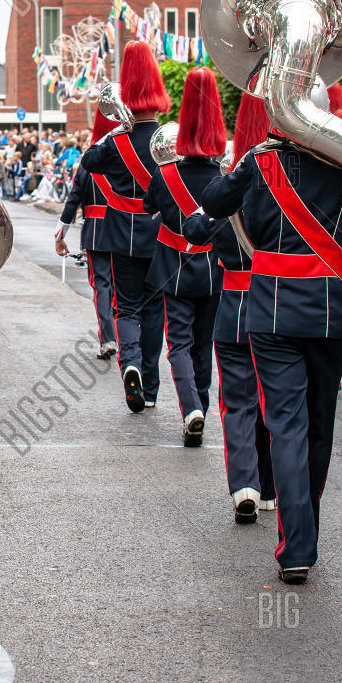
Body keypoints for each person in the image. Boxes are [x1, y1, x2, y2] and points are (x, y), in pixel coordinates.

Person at [200, 88, 342, 584]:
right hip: (332, 307)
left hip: (274, 305)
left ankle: (297, 543)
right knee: (319, 423)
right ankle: (307, 532)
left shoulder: (262, 162)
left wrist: (244, 159)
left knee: (286, 424)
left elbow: (215, 202)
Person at [183, 93, 275, 522]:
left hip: (235, 304)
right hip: (278, 302)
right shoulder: (283, 185)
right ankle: (272, 485)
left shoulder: (230, 185)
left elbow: (196, 229)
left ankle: (244, 483)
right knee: (276, 397)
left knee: (237, 399)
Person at [79, 41, 170, 413]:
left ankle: (129, 362)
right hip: (162, 238)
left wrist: (115, 130)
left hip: (120, 236)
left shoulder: (114, 143)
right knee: (155, 312)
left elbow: (89, 161)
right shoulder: (170, 139)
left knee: (127, 309)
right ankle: (149, 385)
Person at [145, 66, 225, 445]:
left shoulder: (165, 175)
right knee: (203, 343)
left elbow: (148, 207)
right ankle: (203, 410)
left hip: (173, 268)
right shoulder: (226, 180)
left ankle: (190, 406)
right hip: (214, 270)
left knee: (177, 342)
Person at [56, 109, 120, 360]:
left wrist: (60, 234)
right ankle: (124, 335)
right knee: (122, 284)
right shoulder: (127, 159)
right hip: (125, 229)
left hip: (96, 231)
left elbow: (73, 201)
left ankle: (108, 337)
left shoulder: (89, 160)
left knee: (102, 285)